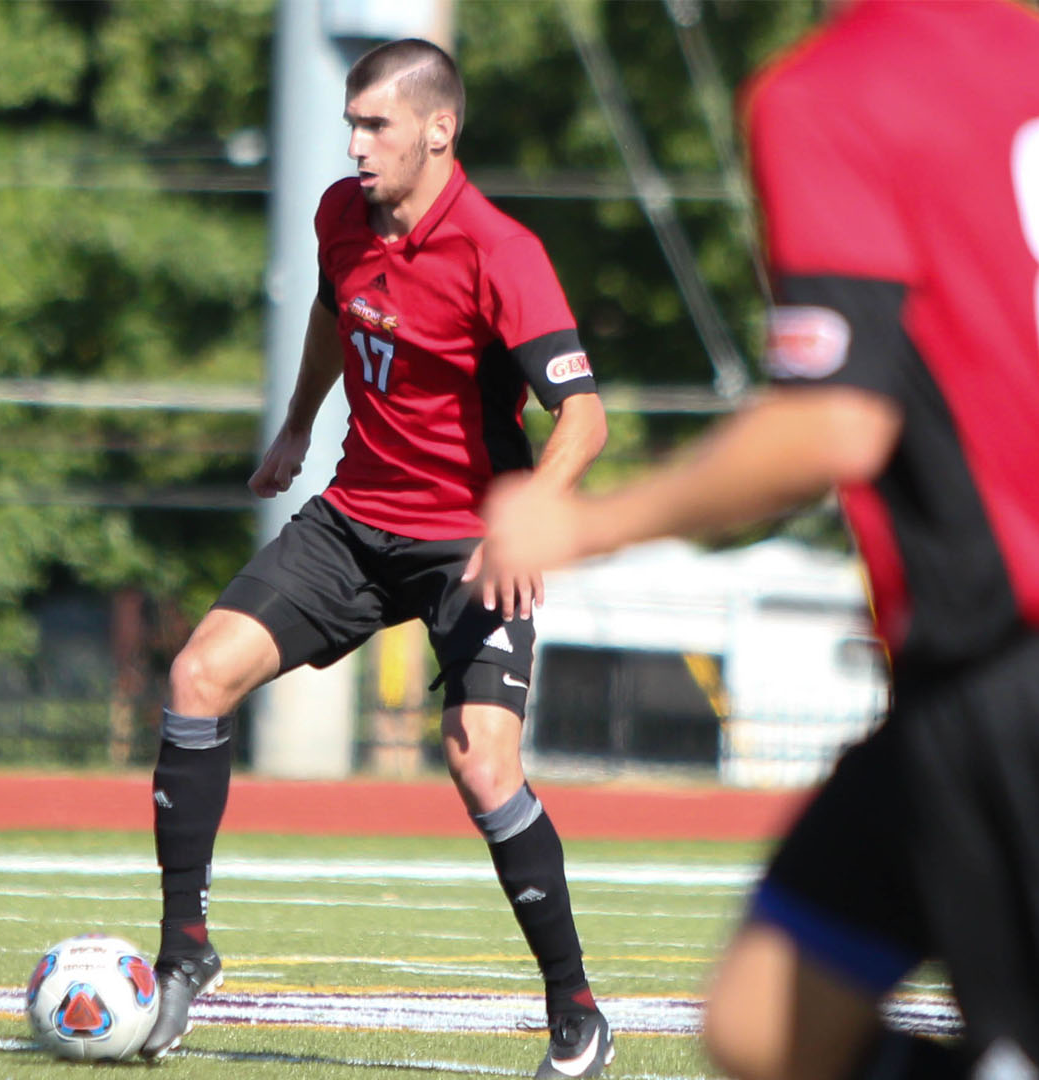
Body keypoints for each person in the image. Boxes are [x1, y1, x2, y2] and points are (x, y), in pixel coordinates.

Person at [480, 2, 1039, 1078]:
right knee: (760, 1024)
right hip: (996, 683)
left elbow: (836, 423)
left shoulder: (824, 93)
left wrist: (588, 522)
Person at [141, 37, 615, 1078]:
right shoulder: (338, 216)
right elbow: (330, 311)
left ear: (438, 132)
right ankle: (187, 952)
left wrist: (527, 516)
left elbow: (583, 417)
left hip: (468, 545)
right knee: (196, 675)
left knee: (482, 766)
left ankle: (576, 1008)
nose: (354, 144)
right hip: (355, 518)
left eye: (375, 126)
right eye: (351, 124)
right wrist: (298, 426)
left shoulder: (501, 251)